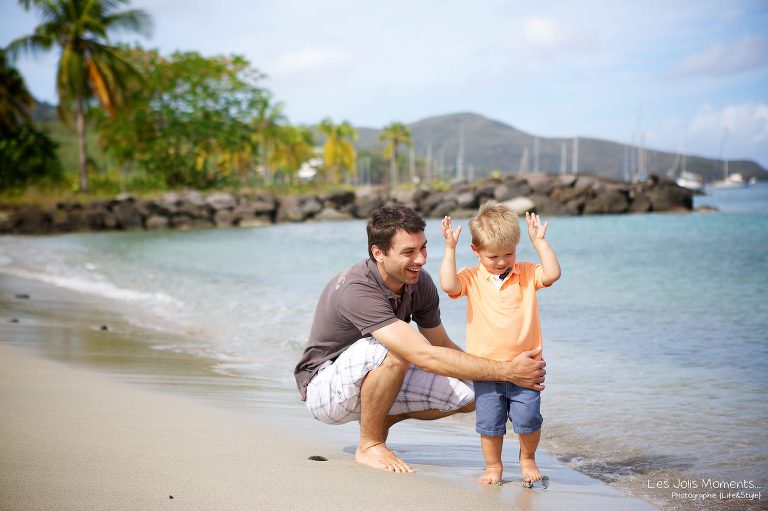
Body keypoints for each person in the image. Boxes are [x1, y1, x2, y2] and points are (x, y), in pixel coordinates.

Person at [294, 205, 547, 474]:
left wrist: (499, 378)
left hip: (371, 377)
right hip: (324, 390)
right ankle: (369, 444)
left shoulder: (418, 282)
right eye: (409, 252)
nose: (421, 259)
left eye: (423, 248)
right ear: (378, 253)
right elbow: (422, 354)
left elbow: (440, 345)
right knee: (395, 348)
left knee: (477, 391)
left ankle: (381, 418)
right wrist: (509, 372)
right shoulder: (357, 288)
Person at [440, 202, 561, 485]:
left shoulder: (528, 273)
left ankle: (527, 458)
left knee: (529, 418)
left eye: (509, 253)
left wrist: (540, 242)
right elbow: (448, 285)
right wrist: (449, 250)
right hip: (487, 369)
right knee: (490, 425)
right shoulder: (471, 278)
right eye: (493, 256)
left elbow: (553, 273)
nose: (502, 261)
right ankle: (493, 467)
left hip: (527, 366)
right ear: (476, 250)